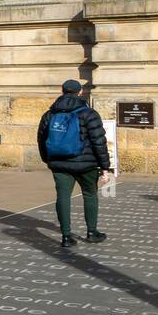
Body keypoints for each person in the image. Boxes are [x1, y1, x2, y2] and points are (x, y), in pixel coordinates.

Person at [37, 80, 112, 248]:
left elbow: (41, 139)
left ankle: (66, 236)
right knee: (90, 195)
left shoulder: (49, 114)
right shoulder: (89, 114)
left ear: (61, 91)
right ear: (80, 92)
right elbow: (99, 142)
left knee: (63, 197)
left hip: (59, 164)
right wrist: (105, 167)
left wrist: (48, 160)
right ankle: (92, 232)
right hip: (87, 165)